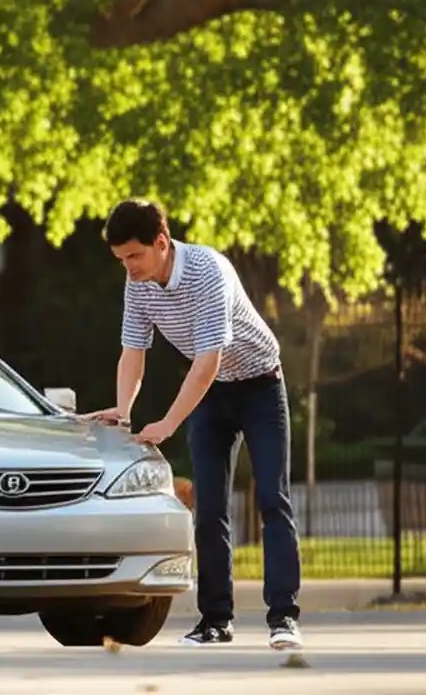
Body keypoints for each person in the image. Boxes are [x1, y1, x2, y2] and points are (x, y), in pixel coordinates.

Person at [82, 198, 302, 650]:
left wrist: (165, 424)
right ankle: (215, 621)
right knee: (209, 508)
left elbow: (207, 360)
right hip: (212, 394)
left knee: (272, 500)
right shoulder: (137, 283)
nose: (129, 267)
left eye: (135, 256)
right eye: (121, 259)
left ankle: (283, 618)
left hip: (260, 385)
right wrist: (124, 412)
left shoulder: (208, 272)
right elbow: (133, 353)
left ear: (161, 243)